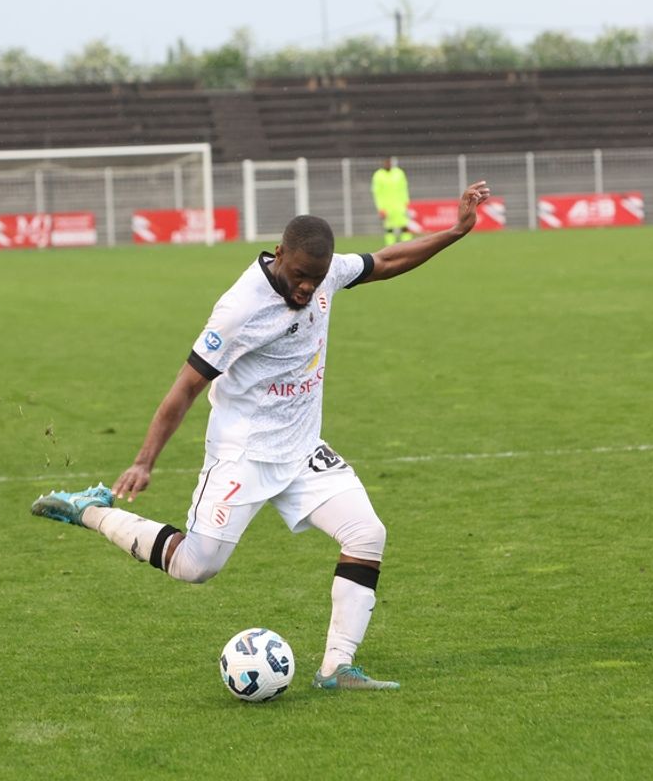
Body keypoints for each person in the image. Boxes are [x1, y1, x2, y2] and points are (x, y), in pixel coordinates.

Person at [32, 179, 493, 690]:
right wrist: (144, 460)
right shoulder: (239, 310)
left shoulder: (325, 275)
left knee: (367, 534)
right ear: (279, 255)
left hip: (301, 450)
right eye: (299, 276)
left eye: (316, 280)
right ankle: (94, 510)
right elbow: (184, 388)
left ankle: (336, 668)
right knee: (195, 566)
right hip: (243, 454)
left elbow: (385, 261)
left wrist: (455, 230)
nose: (307, 289)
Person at [371, 156, 412, 246]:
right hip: (387, 207)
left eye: (389, 162)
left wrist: (406, 203)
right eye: (386, 162)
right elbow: (377, 193)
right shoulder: (378, 175)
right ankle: (390, 247)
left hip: (400, 205)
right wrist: (380, 208)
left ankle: (408, 246)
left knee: (404, 227)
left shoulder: (399, 173)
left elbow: (404, 189)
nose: (388, 164)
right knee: (389, 229)